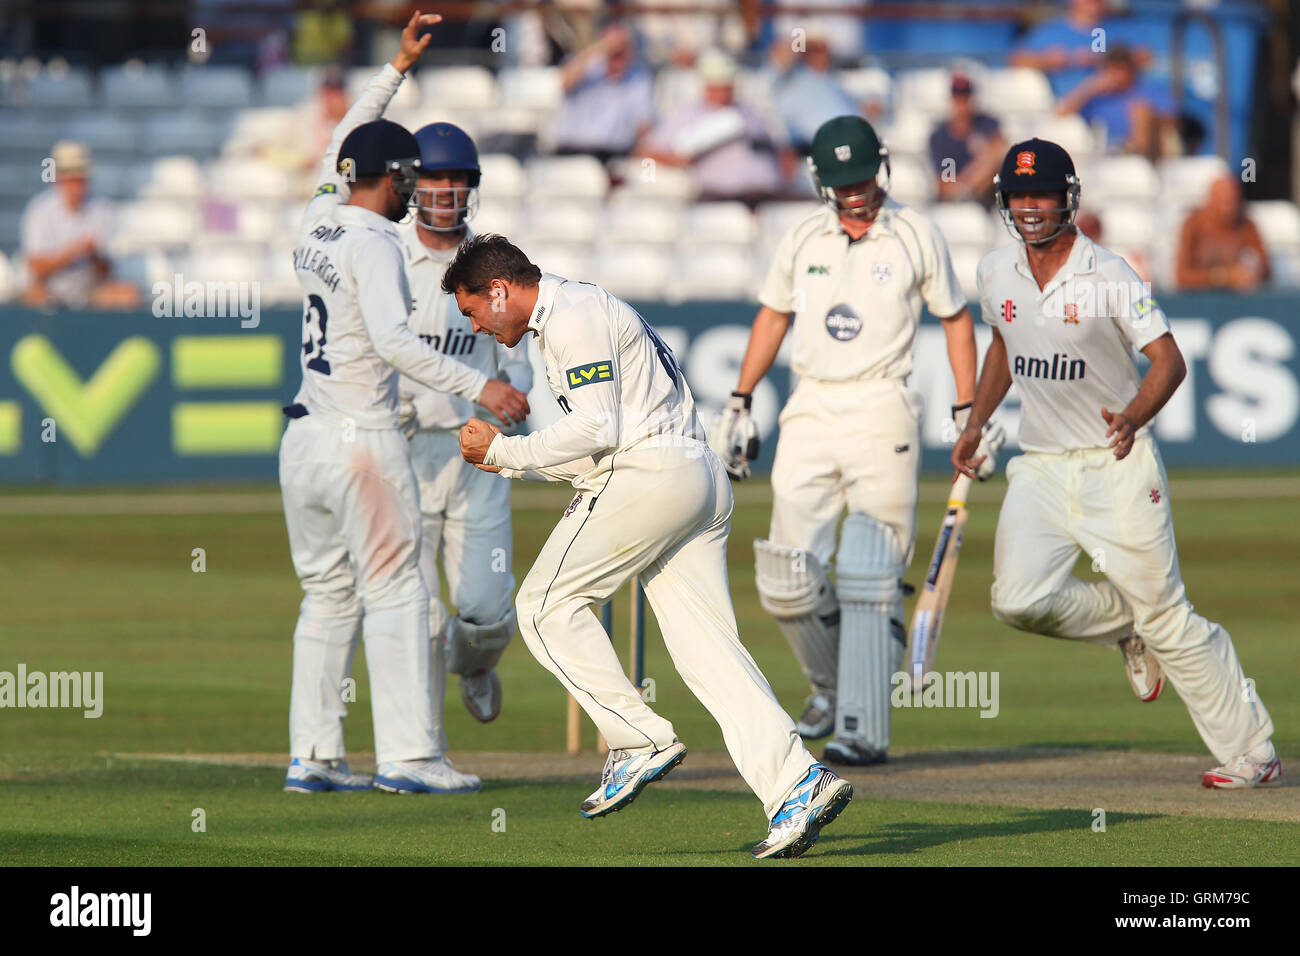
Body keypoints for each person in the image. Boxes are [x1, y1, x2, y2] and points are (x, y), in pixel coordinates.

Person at [449, 234, 852, 860]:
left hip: (653, 474)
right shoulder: (568, 321)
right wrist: (522, 464)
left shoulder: (572, 314)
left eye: (473, 310)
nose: (475, 324)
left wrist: (503, 453)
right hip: (693, 477)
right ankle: (796, 782)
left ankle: (637, 740)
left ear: (499, 290)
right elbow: (592, 439)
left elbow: (597, 427)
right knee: (705, 650)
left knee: (542, 605)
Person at [953, 138, 1278, 790]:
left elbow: (1170, 360)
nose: (1031, 207)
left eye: (1043, 194)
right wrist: (976, 421)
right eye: (1019, 197)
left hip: (1116, 462)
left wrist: (1132, 415)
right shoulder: (995, 272)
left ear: (1068, 198)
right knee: (1016, 601)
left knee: (1170, 616)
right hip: (1041, 465)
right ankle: (1127, 626)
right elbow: (1002, 348)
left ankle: (1253, 751)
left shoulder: (1108, 274)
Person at [279, 12, 530, 796]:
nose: (419, 193)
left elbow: (341, 141)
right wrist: (481, 385)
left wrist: (393, 69)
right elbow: (393, 342)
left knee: (327, 597)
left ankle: (314, 758)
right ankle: (411, 758)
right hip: (365, 437)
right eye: (411, 181)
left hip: (303, 439)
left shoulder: (317, 222)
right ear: (390, 183)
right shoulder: (377, 243)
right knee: (398, 593)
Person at [710, 115, 1003, 766]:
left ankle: (861, 728)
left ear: (884, 168)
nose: (858, 192)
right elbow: (773, 315)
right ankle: (834, 686)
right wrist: (739, 398)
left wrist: (966, 411)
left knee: (869, 572)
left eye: (865, 178)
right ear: (821, 183)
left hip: (882, 408)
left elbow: (956, 322)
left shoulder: (915, 232)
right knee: (786, 577)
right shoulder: (802, 236)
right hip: (810, 405)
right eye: (844, 183)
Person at [393, 120, 536, 792]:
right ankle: (424, 752)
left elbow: (521, 356)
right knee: (416, 612)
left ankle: (475, 664)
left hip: (479, 456)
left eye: (458, 180)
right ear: (411, 185)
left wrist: (510, 405)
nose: (446, 192)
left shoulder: (491, 265)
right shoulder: (386, 255)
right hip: (406, 455)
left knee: (482, 609)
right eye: (433, 180)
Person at [635, 49, 783, 204]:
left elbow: (776, 146)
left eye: (727, 81)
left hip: (766, 194)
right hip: (718, 197)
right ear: (706, 83)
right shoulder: (688, 114)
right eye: (718, 82)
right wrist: (674, 159)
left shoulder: (748, 111)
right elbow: (644, 152)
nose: (724, 88)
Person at [20, 141, 140, 310]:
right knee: (35, 295)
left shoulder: (103, 209)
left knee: (128, 294)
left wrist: (94, 255)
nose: (75, 184)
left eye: (79, 177)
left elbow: (107, 271)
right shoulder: (39, 210)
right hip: (51, 290)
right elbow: (36, 268)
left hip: (91, 291)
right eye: (70, 176)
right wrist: (71, 253)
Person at [549, 22, 655, 164]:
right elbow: (562, 83)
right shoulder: (585, 65)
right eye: (614, 50)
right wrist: (602, 47)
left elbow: (644, 124)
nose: (618, 54)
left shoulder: (639, 77)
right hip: (573, 152)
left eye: (623, 49)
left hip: (615, 155)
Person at [1055, 45, 1176, 160]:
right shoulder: (1097, 97)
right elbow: (1061, 114)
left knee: (1141, 112)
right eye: (1113, 70)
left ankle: (1137, 157)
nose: (1118, 76)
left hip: (1150, 153)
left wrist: (1148, 118)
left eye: (1122, 69)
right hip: (1104, 153)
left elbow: (1173, 121)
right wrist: (1090, 87)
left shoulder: (1150, 89)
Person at [1175, 175, 1270, 292]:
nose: (1229, 208)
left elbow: (1266, 270)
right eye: (1224, 201)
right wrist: (1223, 277)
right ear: (1211, 200)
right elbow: (1182, 277)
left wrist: (1253, 273)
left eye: (1233, 201)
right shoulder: (1193, 225)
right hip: (1199, 301)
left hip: (1238, 302)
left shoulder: (1247, 226)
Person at [929, 72, 1006, 207]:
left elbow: (1001, 151)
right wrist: (978, 170)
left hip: (988, 193)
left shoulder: (987, 124)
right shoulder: (941, 137)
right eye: (958, 99)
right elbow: (947, 184)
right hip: (960, 197)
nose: (962, 105)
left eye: (965, 98)